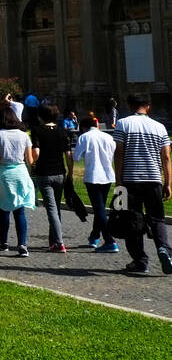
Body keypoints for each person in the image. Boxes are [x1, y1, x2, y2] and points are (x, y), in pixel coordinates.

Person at [112, 93, 172, 275]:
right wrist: (168, 183)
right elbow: (166, 157)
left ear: (130, 105)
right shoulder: (159, 127)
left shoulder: (123, 124)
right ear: (148, 106)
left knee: (132, 221)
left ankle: (140, 260)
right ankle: (164, 249)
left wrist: (118, 180)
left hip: (130, 180)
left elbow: (119, 154)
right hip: (153, 179)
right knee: (157, 218)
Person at [0, 112, 35, 257]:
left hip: (4, 174)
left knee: (4, 209)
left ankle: (3, 242)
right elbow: (30, 160)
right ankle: (22, 245)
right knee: (19, 210)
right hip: (20, 172)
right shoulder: (24, 135)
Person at [71, 113, 119, 252]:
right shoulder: (109, 137)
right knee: (100, 208)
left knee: (99, 209)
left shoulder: (84, 137)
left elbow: (77, 157)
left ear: (84, 127)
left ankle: (110, 240)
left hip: (93, 176)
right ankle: (94, 236)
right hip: (108, 176)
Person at [31, 103, 71, 252]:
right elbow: (68, 155)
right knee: (56, 208)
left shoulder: (37, 130)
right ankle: (53, 240)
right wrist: (70, 173)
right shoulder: (62, 132)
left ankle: (59, 242)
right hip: (60, 172)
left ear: (40, 116)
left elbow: (35, 152)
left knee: (52, 209)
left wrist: (32, 165)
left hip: (45, 173)